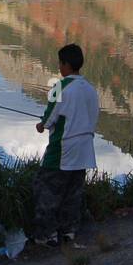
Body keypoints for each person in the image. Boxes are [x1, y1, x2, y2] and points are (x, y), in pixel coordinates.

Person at [32, 43, 100, 247]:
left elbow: (51, 118)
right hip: (85, 148)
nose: (59, 67)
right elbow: (93, 117)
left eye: (60, 63)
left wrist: (41, 125)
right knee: (74, 191)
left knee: (47, 189)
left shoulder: (59, 88)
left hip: (63, 148)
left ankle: (47, 235)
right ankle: (69, 231)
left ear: (67, 65)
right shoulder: (90, 89)